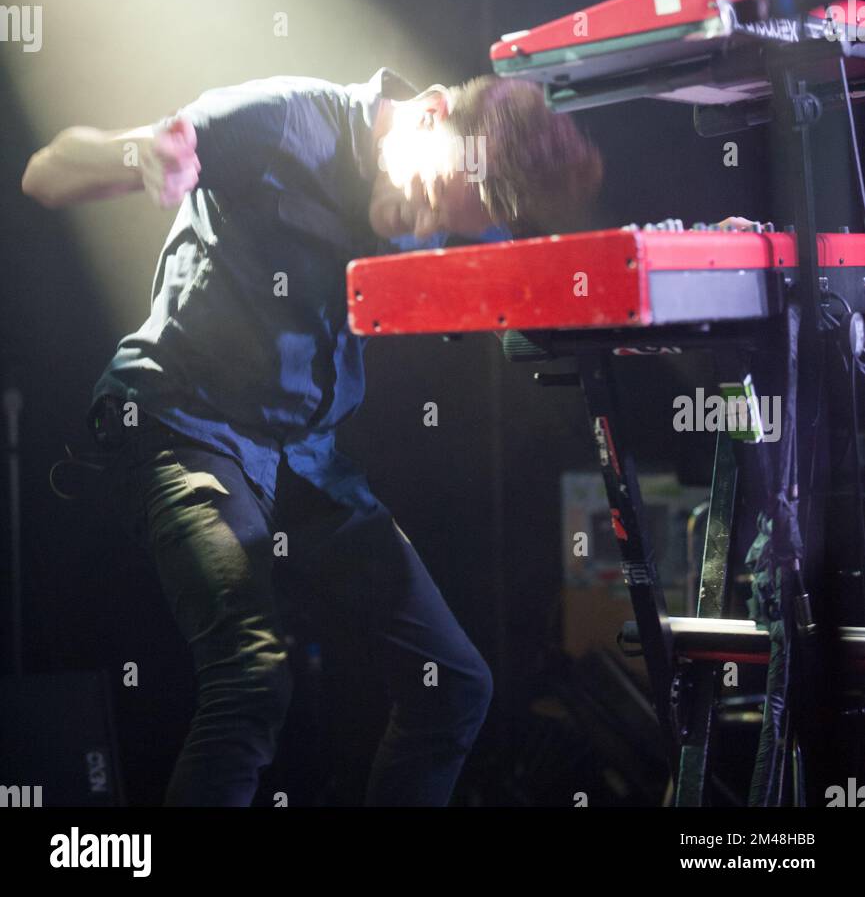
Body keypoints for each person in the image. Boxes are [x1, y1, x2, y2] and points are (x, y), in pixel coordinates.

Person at [21, 67, 603, 807]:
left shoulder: (470, 192)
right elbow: (48, 171)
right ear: (426, 115)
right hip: (183, 424)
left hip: (304, 456)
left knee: (454, 686)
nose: (419, 224)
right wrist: (139, 156)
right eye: (427, 198)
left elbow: (540, 297)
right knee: (250, 677)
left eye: (444, 222)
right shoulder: (288, 120)